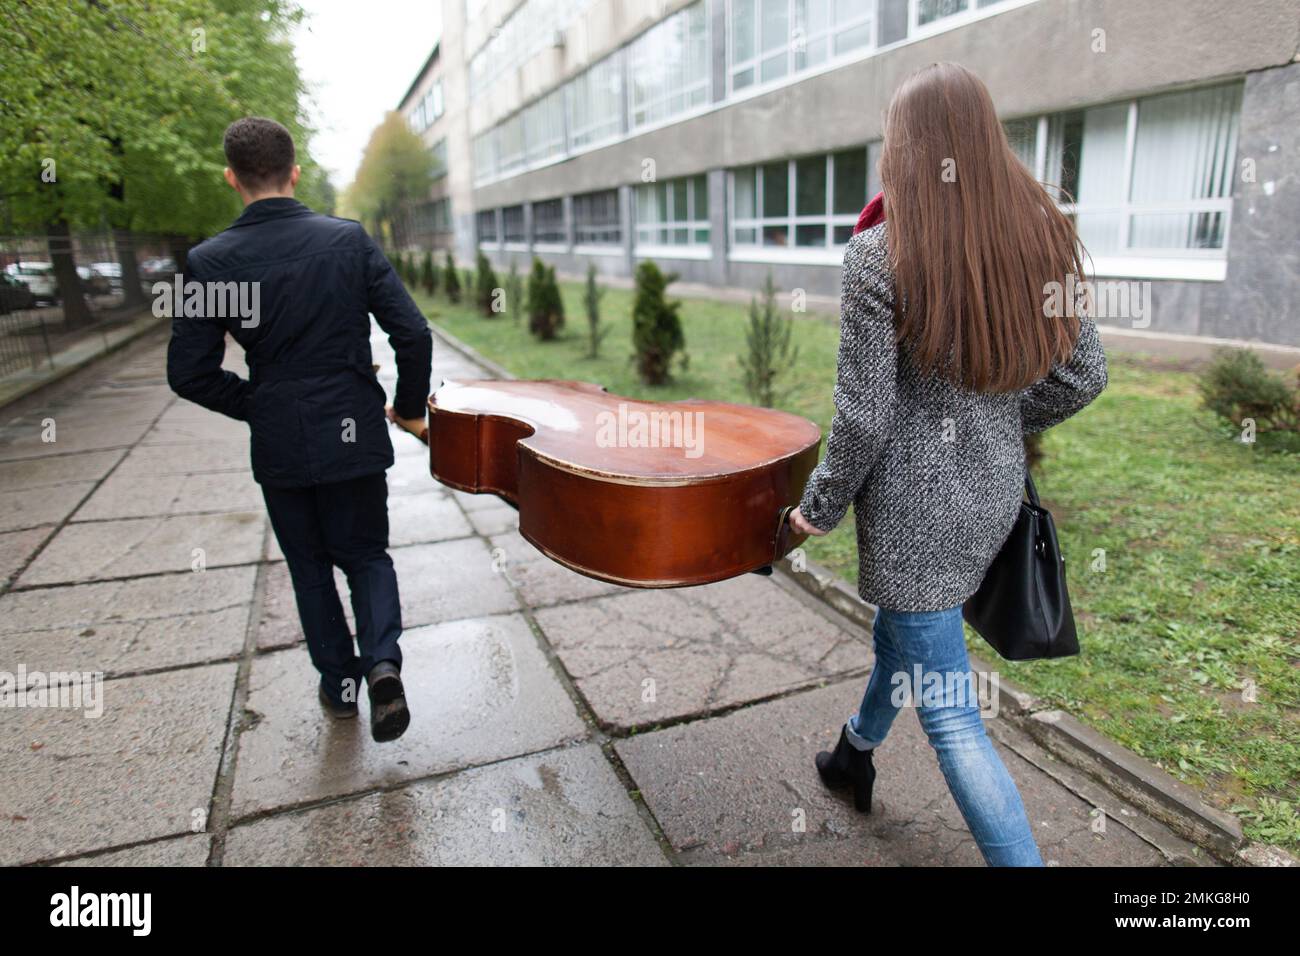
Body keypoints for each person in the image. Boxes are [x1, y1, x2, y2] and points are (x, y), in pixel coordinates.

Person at [787, 63, 1108, 866]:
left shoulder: (878, 255)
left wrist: (815, 509)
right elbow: (1084, 375)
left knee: (953, 714)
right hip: (992, 495)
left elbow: (865, 416)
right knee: (910, 635)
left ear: (906, 146)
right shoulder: (1039, 234)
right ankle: (854, 753)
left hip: (912, 519)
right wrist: (997, 419)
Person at [167, 117, 432, 743]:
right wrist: (408, 406)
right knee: (366, 554)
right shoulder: (347, 241)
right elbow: (413, 332)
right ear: (295, 171)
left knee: (308, 566)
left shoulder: (209, 263)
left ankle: (340, 686)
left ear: (231, 178)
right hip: (353, 426)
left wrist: (257, 404)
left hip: (280, 436)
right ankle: (384, 666)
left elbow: (188, 373)